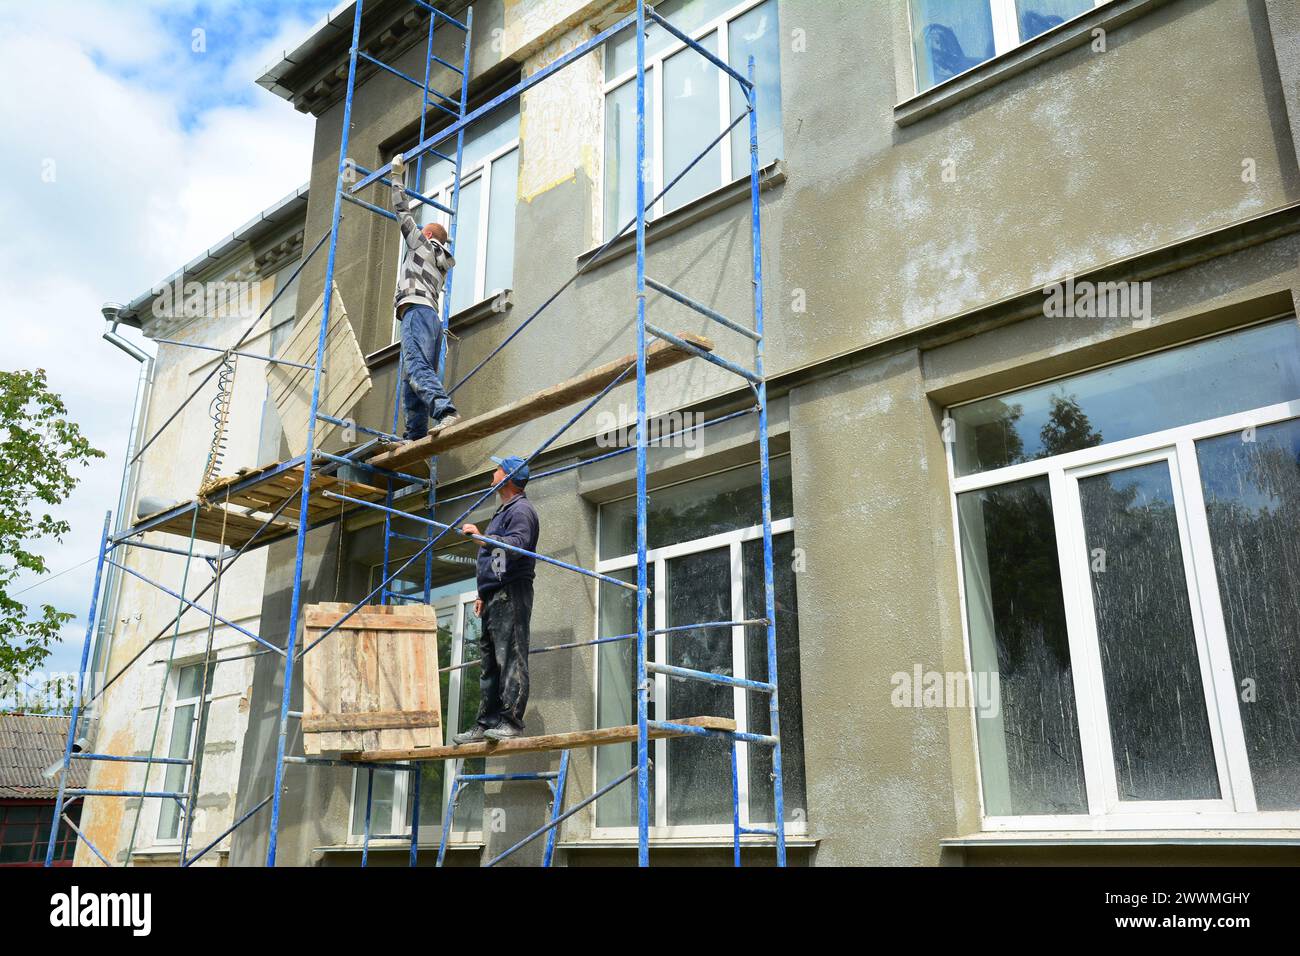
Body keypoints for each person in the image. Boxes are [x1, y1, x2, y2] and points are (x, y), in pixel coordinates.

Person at [453, 456, 541, 743]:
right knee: (489, 663)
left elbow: (516, 547)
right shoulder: (504, 512)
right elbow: (497, 559)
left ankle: (511, 721)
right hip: (496, 593)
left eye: (497, 468)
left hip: (512, 593)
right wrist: (484, 591)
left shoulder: (522, 511)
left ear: (508, 478)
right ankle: (486, 721)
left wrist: (483, 537)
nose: (493, 472)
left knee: (511, 656)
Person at [389, 153, 460, 441]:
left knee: (416, 367)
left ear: (428, 233)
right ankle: (415, 433)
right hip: (430, 316)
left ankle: (445, 412)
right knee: (413, 376)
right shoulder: (440, 261)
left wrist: (396, 177)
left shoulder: (421, 244)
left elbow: (402, 212)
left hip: (416, 312)